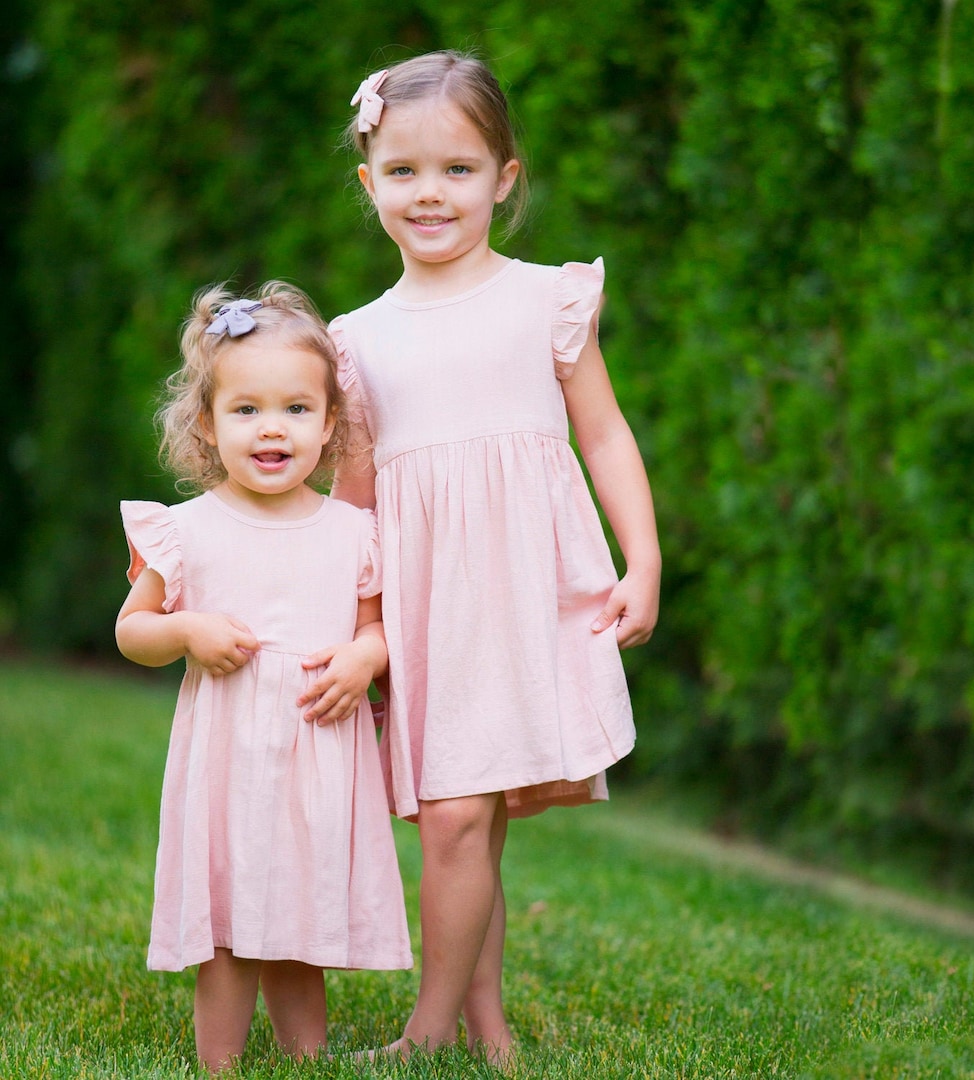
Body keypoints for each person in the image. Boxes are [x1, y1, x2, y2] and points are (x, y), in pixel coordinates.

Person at [304, 49, 662, 1065]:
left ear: (505, 178)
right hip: (424, 605)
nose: (431, 194)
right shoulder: (356, 341)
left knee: (474, 817)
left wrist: (643, 558)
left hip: (522, 594)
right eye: (404, 172)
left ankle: (442, 1029)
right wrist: (327, 608)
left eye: (458, 169)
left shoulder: (546, 299)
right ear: (370, 184)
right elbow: (354, 495)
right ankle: (476, 1025)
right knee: (456, 818)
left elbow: (604, 435)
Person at [114, 281, 412, 1073]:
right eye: (245, 410)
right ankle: (220, 1062)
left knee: (300, 914)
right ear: (206, 423)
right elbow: (131, 630)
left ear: (329, 425)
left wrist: (365, 657)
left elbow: (379, 627)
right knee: (227, 921)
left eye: (295, 409)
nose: (271, 428)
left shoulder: (354, 533)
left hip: (314, 754)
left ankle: (303, 1058)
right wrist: (184, 629)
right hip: (228, 761)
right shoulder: (185, 531)